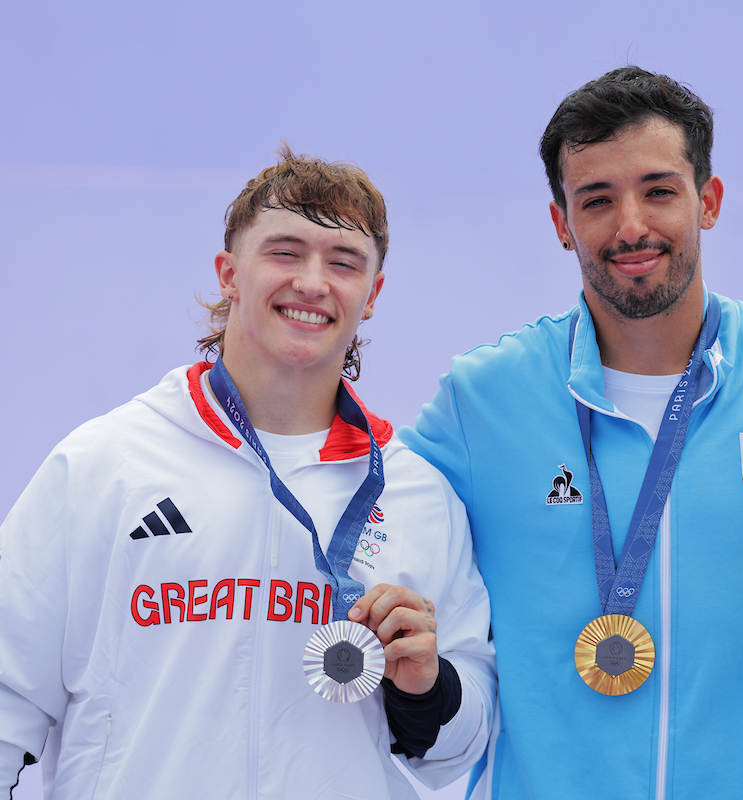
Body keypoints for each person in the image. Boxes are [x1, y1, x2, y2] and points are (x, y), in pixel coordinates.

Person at [401, 67, 743, 800]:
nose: (631, 227)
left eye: (659, 191)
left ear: (708, 201)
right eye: (597, 200)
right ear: (561, 223)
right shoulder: (483, 399)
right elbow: (363, 519)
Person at [0, 147, 495, 798]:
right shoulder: (104, 465)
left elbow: (459, 750)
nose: (313, 283)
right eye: (285, 252)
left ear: (371, 295)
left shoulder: (415, 493)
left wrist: (428, 687)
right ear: (229, 273)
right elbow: (9, 697)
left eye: (343, 262)